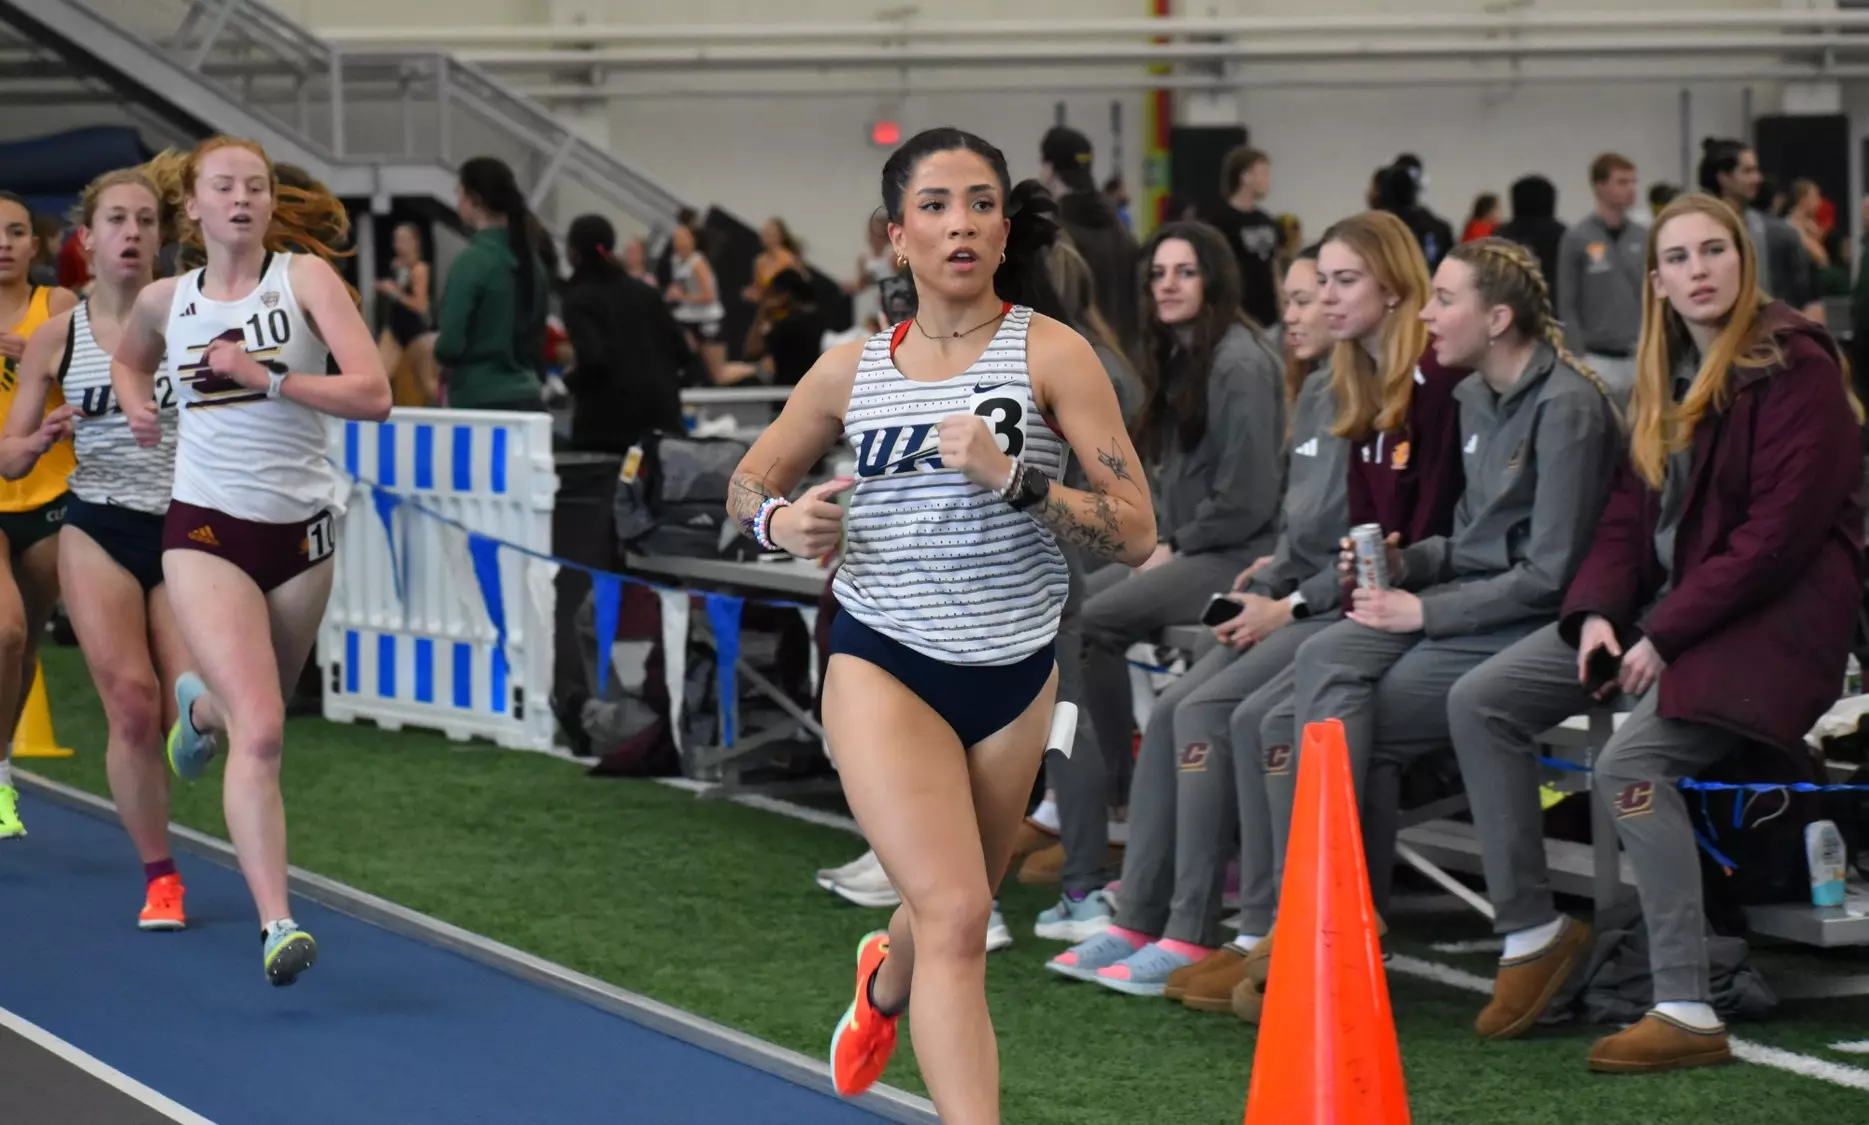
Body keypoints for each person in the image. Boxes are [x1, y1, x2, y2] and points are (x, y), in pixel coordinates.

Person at [723, 127, 1154, 1125]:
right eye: (935, 205)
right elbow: (747, 483)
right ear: (896, 236)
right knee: (962, 915)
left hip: (1013, 676)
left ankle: (882, 985)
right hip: (884, 661)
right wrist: (784, 522)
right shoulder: (850, 371)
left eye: (980, 203)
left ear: (1006, 229)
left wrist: (1016, 479)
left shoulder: (1054, 353)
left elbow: (1135, 533)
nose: (959, 222)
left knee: (944, 907)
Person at [1445, 193, 1863, 1074]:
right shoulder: (1663, 370)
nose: (1698, 269)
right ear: (1657, 281)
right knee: (1482, 699)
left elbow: (1774, 541)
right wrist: (1598, 610)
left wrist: (1661, 634)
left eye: (1715, 250)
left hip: (1768, 624)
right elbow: (1626, 516)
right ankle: (1531, 933)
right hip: (1665, 619)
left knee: (1630, 763)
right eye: (1678, 258)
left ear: (1743, 264)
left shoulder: (1796, 366)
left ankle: (1684, 1001)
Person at [108, 135, 392, 985]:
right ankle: (278, 923)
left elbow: (373, 394)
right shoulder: (165, 299)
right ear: (191, 207)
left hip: (301, 534)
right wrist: (138, 411)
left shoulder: (304, 280)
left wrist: (268, 377)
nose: (242, 199)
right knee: (263, 729)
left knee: (242, 715)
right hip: (206, 530)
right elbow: (130, 359)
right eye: (224, 187)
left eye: (257, 187)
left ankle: (193, 714)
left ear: (271, 204)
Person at [1048, 244, 1350, 996]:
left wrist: (1187, 551)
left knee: (1096, 630)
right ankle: (1143, 907)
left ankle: (1121, 835)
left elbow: (1255, 507)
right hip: (1253, 569)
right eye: (1156, 273)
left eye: (1321, 294)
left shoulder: (1245, 366)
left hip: (1231, 563)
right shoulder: (1268, 375)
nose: (1299, 312)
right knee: (1110, 640)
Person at [1219, 210, 1469, 1017]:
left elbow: (1439, 535)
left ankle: (1330, 925)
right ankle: (1277, 923)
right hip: (1377, 602)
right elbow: (1366, 538)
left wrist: (1306, 599)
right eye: (1319, 281)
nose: (1323, 298)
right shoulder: (1358, 383)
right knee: (1260, 717)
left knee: (1293, 710)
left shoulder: (1437, 381)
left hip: (1441, 610)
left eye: (1342, 281)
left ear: (1395, 287)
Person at [0, 169, 193, 927]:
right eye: (117, 218)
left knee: (192, 708)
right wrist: (36, 438)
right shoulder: (61, 332)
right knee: (133, 705)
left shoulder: (198, 315)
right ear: (88, 236)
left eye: (147, 220)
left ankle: (208, 735)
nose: (133, 232)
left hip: (189, 530)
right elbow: (11, 454)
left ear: (162, 237)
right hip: (97, 523)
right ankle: (161, 876)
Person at [0, 191, 77, 842]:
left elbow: (98, 382)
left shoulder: (60, 310)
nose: (3, 242)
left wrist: (35, 360)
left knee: (24, 645)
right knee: (2, 632)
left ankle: (2, 766)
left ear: (35, 245)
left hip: (49, 495)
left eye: (15, 231)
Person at [407, 158, 548, 410]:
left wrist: (430, 349)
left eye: (459, 193)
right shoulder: (532, 263)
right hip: (529, 396)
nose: (457, 201)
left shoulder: (472, 261)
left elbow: (449, 346)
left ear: (475, 200)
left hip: (479, 401)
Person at [555, 213, 686, 455]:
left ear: (573, 251)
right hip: (662, 421)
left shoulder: (578, 299)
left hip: (607, 428)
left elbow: (594, 360)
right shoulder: (648, 294)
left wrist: (568, 382)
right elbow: (682, 353)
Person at [1039, 126, 1140, 347]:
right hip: (1127, 359)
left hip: (1080, 359)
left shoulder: (1056, 236)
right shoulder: (1121, 229)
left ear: (1048, 169)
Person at [1558, 153, 1646, 402]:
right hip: (1597, 357)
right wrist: (1577, 353)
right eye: (1622, 182)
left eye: (1633, 182)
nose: (1631, 189)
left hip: (1638, 353)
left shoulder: (1643, 236)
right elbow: (1567, 300)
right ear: (1600, 186)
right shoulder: (1578, 237)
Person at [1207, 146, 1281, 328]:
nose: (1267, 179)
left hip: (1268, 312)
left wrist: (1283, 300)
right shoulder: (1219, 220)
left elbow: (1274, 266)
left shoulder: (1267, 221)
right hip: (1239, 313)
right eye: (1262, 172)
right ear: (1245, 176)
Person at [374, 221, 432, 405]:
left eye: (404, 240)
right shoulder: (398, 266)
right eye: (397, 240)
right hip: (394, 327)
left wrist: (394, 292)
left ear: (415, 243)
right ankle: (374, 413)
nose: (399, 245)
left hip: (415, 330)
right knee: (377, 376)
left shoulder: (419, 269)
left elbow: (420, 305)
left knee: (427, 384)